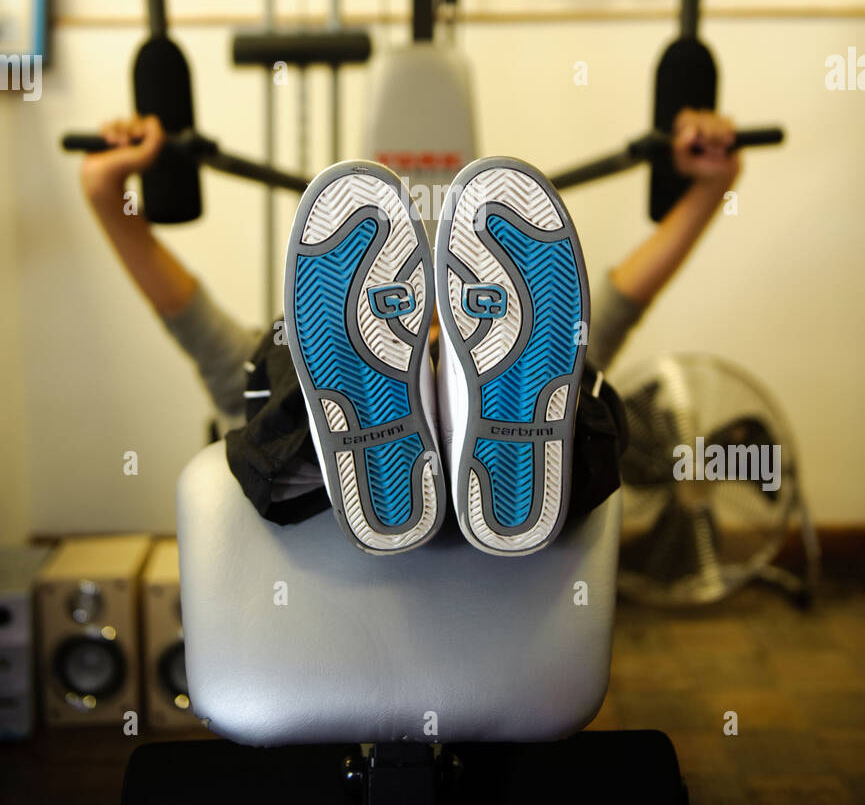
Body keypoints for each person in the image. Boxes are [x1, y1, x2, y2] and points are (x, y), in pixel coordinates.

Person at [78, 109, 740, 536]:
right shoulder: (307, 344)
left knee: (275, 367)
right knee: (579, 386)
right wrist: (709, 189)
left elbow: (181, 312)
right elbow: (627, 295)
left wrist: (107, 197)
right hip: (525, 497)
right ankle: (425, 425)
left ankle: (388, 427)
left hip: (316, 492)